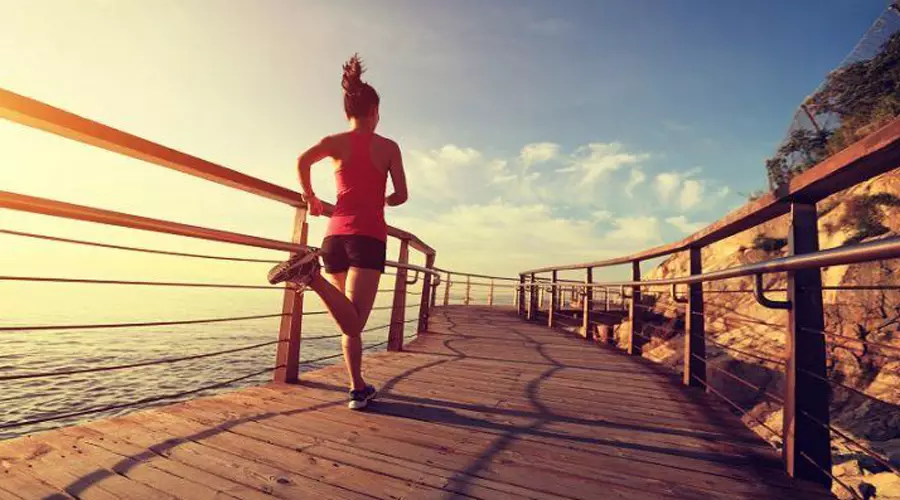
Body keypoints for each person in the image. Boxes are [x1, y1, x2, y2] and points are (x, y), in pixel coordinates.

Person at [267, 54, 408, 410]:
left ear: (348, 112)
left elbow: (302, 160)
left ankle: (358, 387)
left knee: (348, 317)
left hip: (335, 236)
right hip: (368, 236)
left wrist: (309, 195)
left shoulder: (334, 141)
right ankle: (310, 276)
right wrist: (387, 200)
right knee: (356, 321)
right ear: (375, 111)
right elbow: (402, 195)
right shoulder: (389, 147)